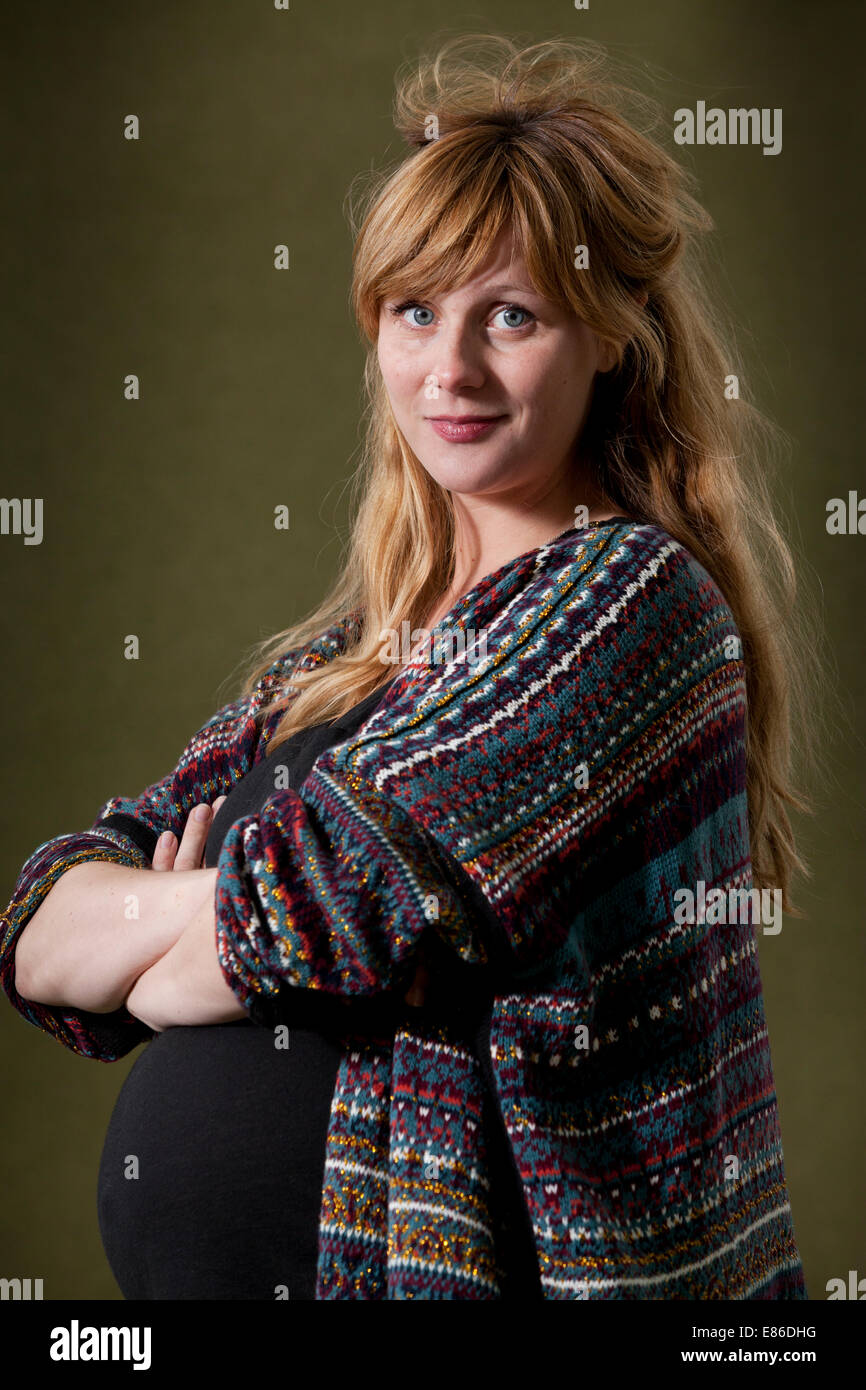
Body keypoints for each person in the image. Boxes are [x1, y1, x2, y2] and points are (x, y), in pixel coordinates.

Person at [1, 33, 811, 1300]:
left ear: (608, 335)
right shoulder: (340, 660)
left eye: (513, 316)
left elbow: (358, 891)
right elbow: (39, 923)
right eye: (415, 311)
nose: (451, 369)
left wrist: (173, 940)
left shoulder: (637, 607)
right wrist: (204, 938)